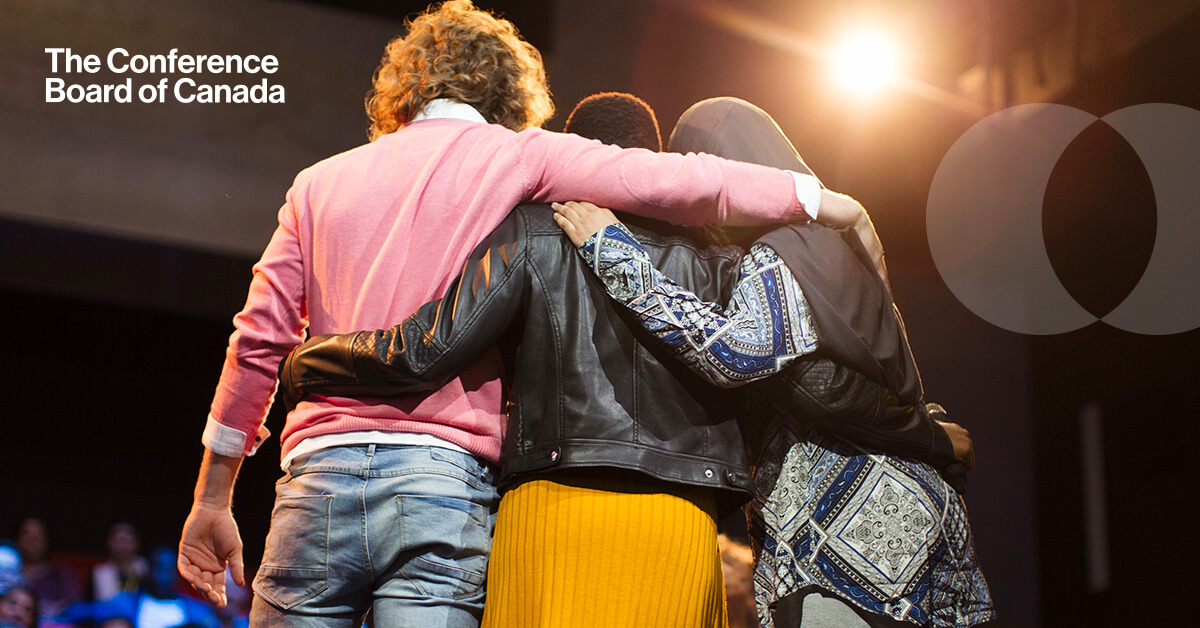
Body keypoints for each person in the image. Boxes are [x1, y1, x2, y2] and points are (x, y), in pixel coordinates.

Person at [178, 1, 868, 625]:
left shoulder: (315, 185)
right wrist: (813, 197)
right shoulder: (516, 158)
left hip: (318, 481)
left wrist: (214, 498)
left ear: (404, 88)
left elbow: (259, 342)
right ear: (511, 92)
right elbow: (672, 179)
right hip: (442, 486)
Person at [275, 94, 967, 626]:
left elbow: (432, 346)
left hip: (551, 507)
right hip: (681, 514)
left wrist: (308, 360)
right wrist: (927, 432)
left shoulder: (534, 231)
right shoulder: (727, 259)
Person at [553, 97, 995, 627]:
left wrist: (617, 255)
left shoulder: (778, 252)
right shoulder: (843, 244)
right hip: (922, 520)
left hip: (848, 544)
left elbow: (737, 355)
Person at [13, 518, 81, 618]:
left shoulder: (60, 573)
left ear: (47, 541)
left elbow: (74, 606)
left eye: (39, 535)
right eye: (26, 533)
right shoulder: (7, 571)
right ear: (17, 539)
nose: (32, 539)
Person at [92, 523, 147, 603]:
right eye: (117, 540)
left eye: (125, 540)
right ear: (109, 542)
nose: (121, 545)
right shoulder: (101, 572)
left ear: (136, 543)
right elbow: (104, 602)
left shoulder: (145, 568)